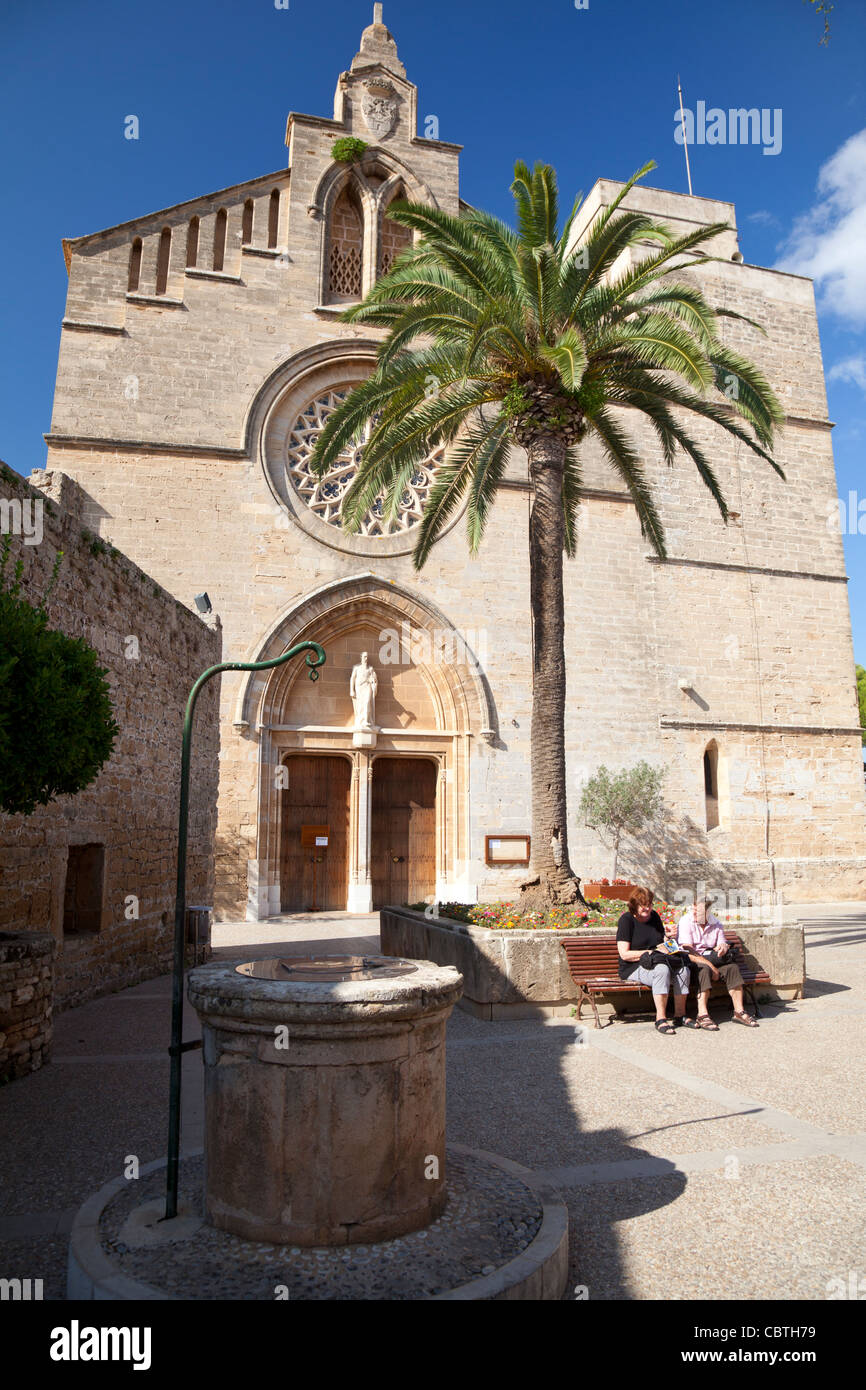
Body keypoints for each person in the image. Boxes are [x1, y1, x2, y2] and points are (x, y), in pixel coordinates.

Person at [616, 886, 690, 1035]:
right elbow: (624, 954)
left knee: (683, 969)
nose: (647, 908)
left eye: (649, 904)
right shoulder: (626, 920)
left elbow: (660, 942)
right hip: (633, 966)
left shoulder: (654, 916)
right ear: (634, 905)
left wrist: (669, 938)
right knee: (662, 971)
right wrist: (648, 952)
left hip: (656, 960)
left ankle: (679, 1015)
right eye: (643, 905)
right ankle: (661, 1018)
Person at [677, 897, 759, 1030]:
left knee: (732, 968)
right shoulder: (686, 921)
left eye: (701, 913)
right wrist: (711, 967)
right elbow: (687, 951)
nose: (696, 915)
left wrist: (723, 946)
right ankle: (702, 1014)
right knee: (703, 969)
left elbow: (722, 942)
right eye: (695, 911)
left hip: (713, 960)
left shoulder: (716, 924)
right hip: (694, 962)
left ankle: (739, 1011)